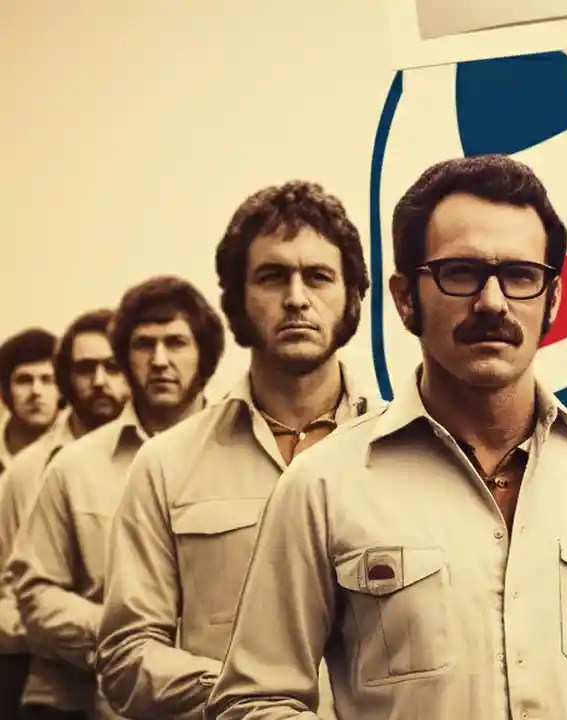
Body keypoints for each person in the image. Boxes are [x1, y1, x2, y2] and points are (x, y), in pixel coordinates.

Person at [207, 155, 567, 720]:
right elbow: (253, 702)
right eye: (459, 272)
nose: (492, 302)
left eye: (520, 275)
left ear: (552, 298)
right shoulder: (322, 485)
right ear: (406, 297)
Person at [95, 180, 377, 719]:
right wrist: (251, 692)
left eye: (318, 276)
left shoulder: (408, 454)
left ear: (352, 298)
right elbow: (126, 658)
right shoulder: (166, 465)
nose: (297, 298)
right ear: (236, 302)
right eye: (272, 277)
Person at [6, 276, 224, 719]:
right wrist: (123, 638)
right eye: (144, 345)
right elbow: (33, 590)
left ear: (204, 355)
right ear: (126, 357)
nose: (160, 360)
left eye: (176, 342)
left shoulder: (250, 455)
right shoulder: (73, 465)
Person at [0, 309, 131, 719]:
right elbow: (11, 594)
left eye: (112, 367)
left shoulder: (159, 456)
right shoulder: (30, 470)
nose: (99, 382)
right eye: (85, 369)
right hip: (59, 694)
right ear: (67, 379)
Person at [0, 329, 61, 476]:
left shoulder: (78, 448)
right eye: (24, 381)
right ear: (5, 390)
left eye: (47, 380)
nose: (36, 391)